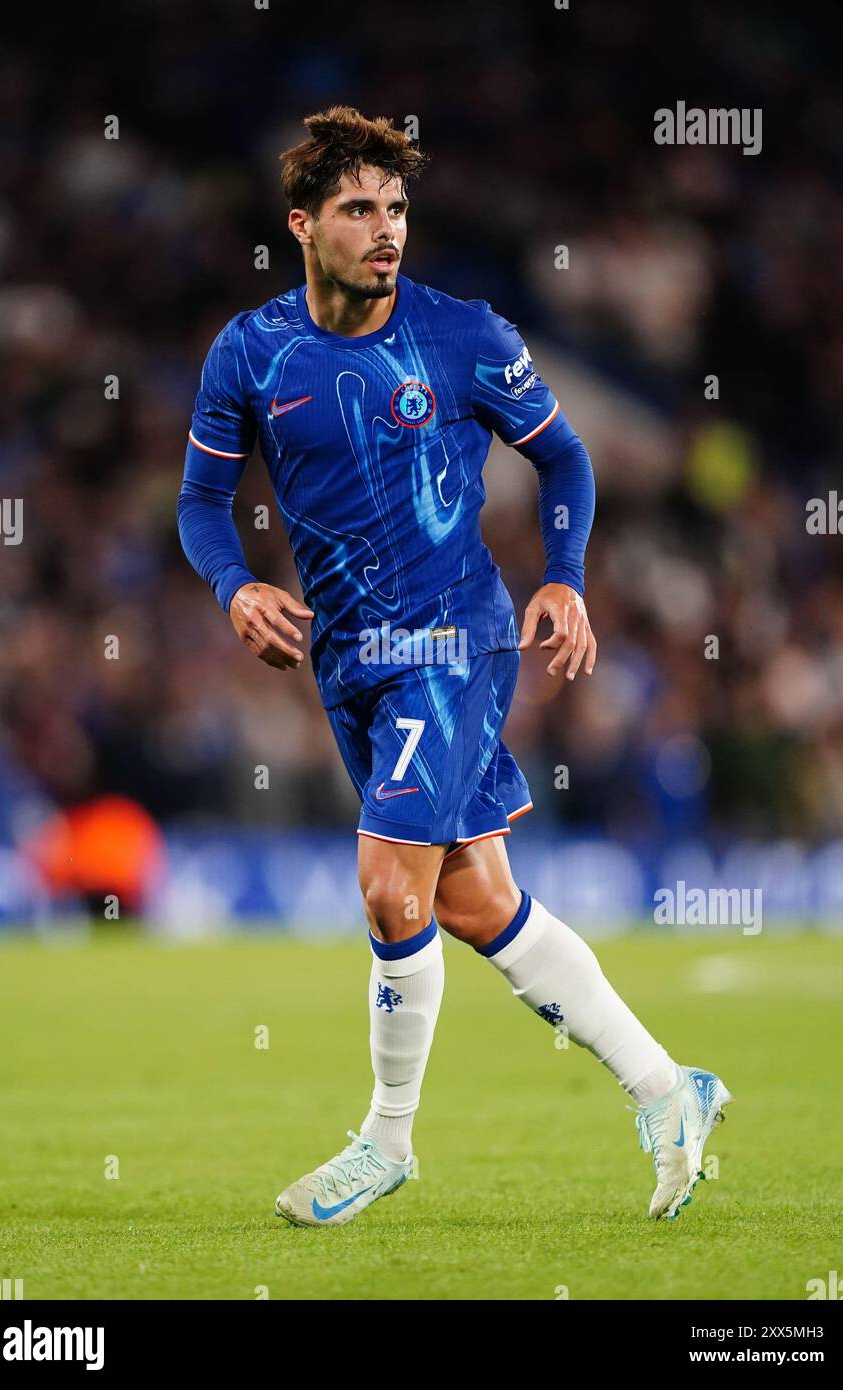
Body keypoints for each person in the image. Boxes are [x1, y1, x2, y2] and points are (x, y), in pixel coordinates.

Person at [177, 106, 730, 1227]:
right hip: (347, 661)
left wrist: (564, 575)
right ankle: (673, 1089)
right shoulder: (251, 351)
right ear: (303, 224)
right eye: (359, 211)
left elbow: (564, 454)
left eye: (396, 209)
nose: (386, 230)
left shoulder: (465, 334)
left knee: (389, 883)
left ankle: (385, 1140)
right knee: (477, 903)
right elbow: (200, 500)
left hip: (454, 644)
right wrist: (236, 585)